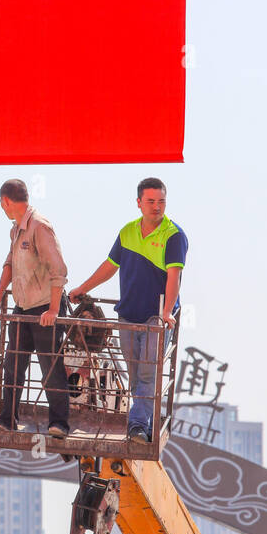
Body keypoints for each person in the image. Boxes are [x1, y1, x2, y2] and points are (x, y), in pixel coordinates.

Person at [70, 177, 187, 443]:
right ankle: (143, 425)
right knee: (135, 375)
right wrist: (82, 288)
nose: (156, 207)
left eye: (161, 202)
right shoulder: (128, 232)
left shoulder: (174, 235)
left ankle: (135, 425)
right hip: (127, 316)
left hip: (154, 318)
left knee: (148, 372)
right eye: (151, 202)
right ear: (139, 203)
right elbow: (110, 266)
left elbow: (174, 277)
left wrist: (167, 312)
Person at [0, 178, 71, 439]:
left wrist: (54, 310)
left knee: (50, 368)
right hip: (22, 309)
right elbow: (10, 263)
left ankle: (60, 424)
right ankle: (7, 418)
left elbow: (59, 271)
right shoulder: (16, 230)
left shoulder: (39, 227)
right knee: (13, 365)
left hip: (45, 308)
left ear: (5, 202)